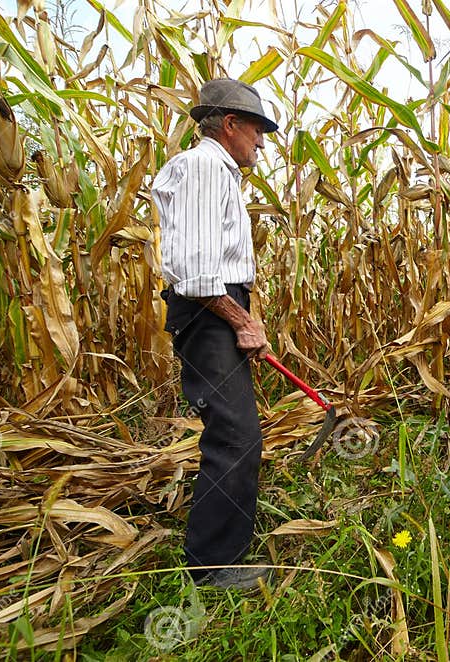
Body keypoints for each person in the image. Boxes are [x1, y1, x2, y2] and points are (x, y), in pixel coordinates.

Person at [151, 78, 277, 590]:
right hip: (210, 314)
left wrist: (246, 316)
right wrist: (243, 320)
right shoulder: (205, 167)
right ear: (230, 126)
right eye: (256, 130)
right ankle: (212, 568)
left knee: (235, 431)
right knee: (235, 436)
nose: (262, 143)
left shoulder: (212, 170)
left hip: (216, 312)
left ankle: (219, 548)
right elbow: (198, 273)